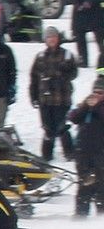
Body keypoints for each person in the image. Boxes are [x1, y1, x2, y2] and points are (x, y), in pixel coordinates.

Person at [29, 26, 78, 161]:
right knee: (47, 128)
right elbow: (34, 78)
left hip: (62, 98)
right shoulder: (40, 56)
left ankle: (69, 152)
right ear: (45, 39)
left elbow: (74, 73)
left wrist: (63, 73)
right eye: (49, 37)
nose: (51, 39)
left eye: (54, 36)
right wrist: (33, 96)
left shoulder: (67, 55)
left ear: (58, 38)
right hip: (44, 100)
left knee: (62, 127)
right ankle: (46, 154)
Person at [68, 73, 104, 216]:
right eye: (95, 92)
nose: (97, 95)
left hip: (100, 153)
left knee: (101, 186)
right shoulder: (86, 104)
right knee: (85, 185)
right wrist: (85, 106)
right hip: (83, 152)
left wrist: (96, 106)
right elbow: (73, 117)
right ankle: (81, 215)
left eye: (100, 93)